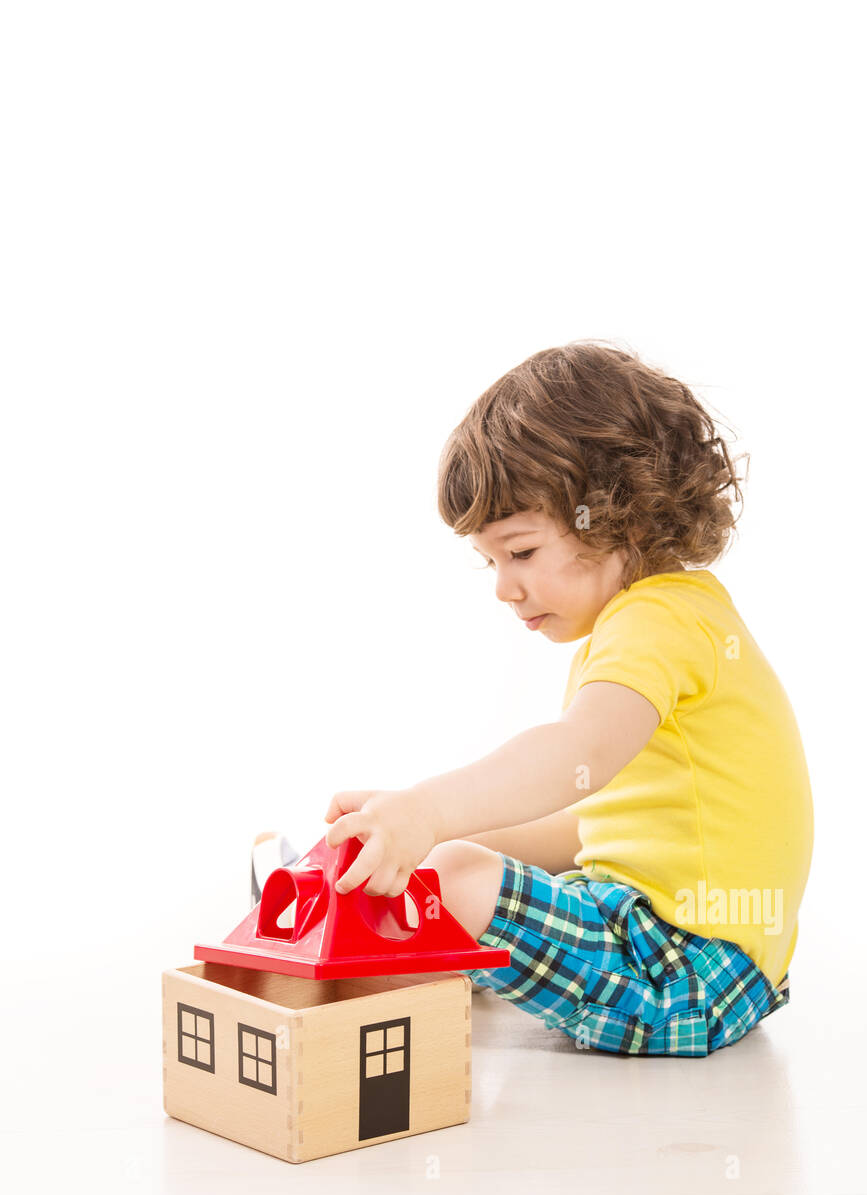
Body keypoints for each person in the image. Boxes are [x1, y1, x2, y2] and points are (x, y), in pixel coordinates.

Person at [253, 341, 813, 1057]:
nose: (503, 587)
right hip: (718, 961)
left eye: (520, 552)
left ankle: (354, 938)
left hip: (688, 974)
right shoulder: (675, 617)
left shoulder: (654, 624)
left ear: (621, 517)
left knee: (456, 877)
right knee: (451, 864)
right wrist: (415, 835)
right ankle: (366, 888)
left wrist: (429, 812)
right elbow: (585, 827)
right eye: (490, 561)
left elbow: (571, 755)